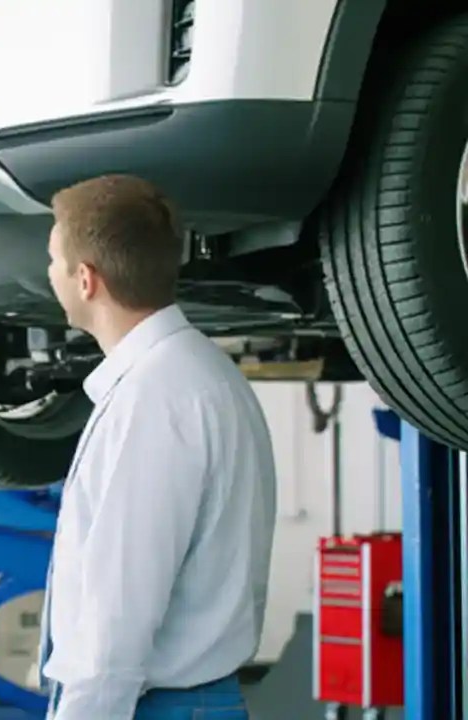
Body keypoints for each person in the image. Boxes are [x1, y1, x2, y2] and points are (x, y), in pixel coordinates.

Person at [37, 174, 277, 719]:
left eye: (52, 260)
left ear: (85, 279)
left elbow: (118, 612)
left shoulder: (154, 401)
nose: (46, 274)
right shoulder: (198, 375)